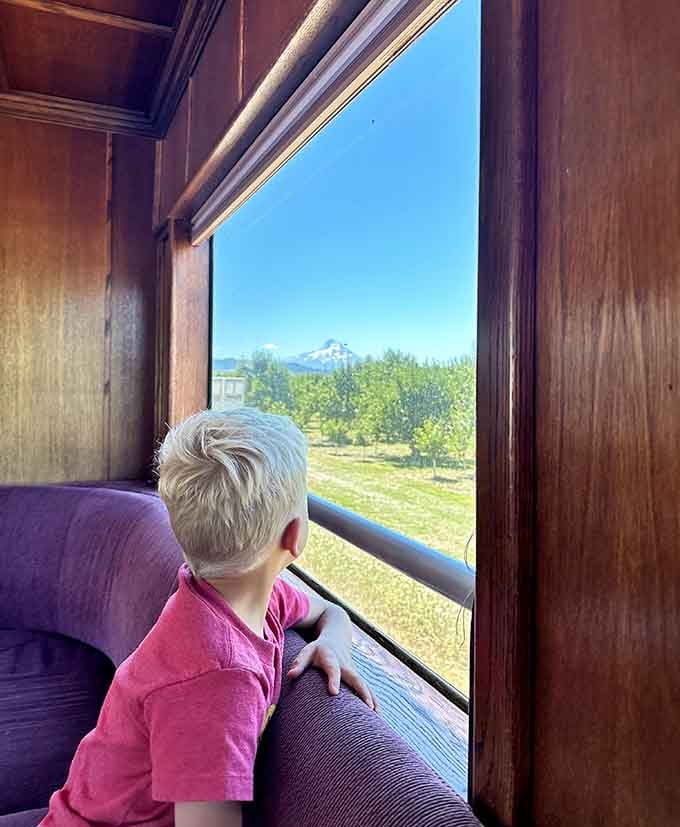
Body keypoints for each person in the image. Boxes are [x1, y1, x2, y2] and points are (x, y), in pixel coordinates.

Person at [39, 407, 378, 827]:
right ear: (295, 535)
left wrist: (331, 644)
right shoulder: (215, 680)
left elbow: (331, 612)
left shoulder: (251, 599)